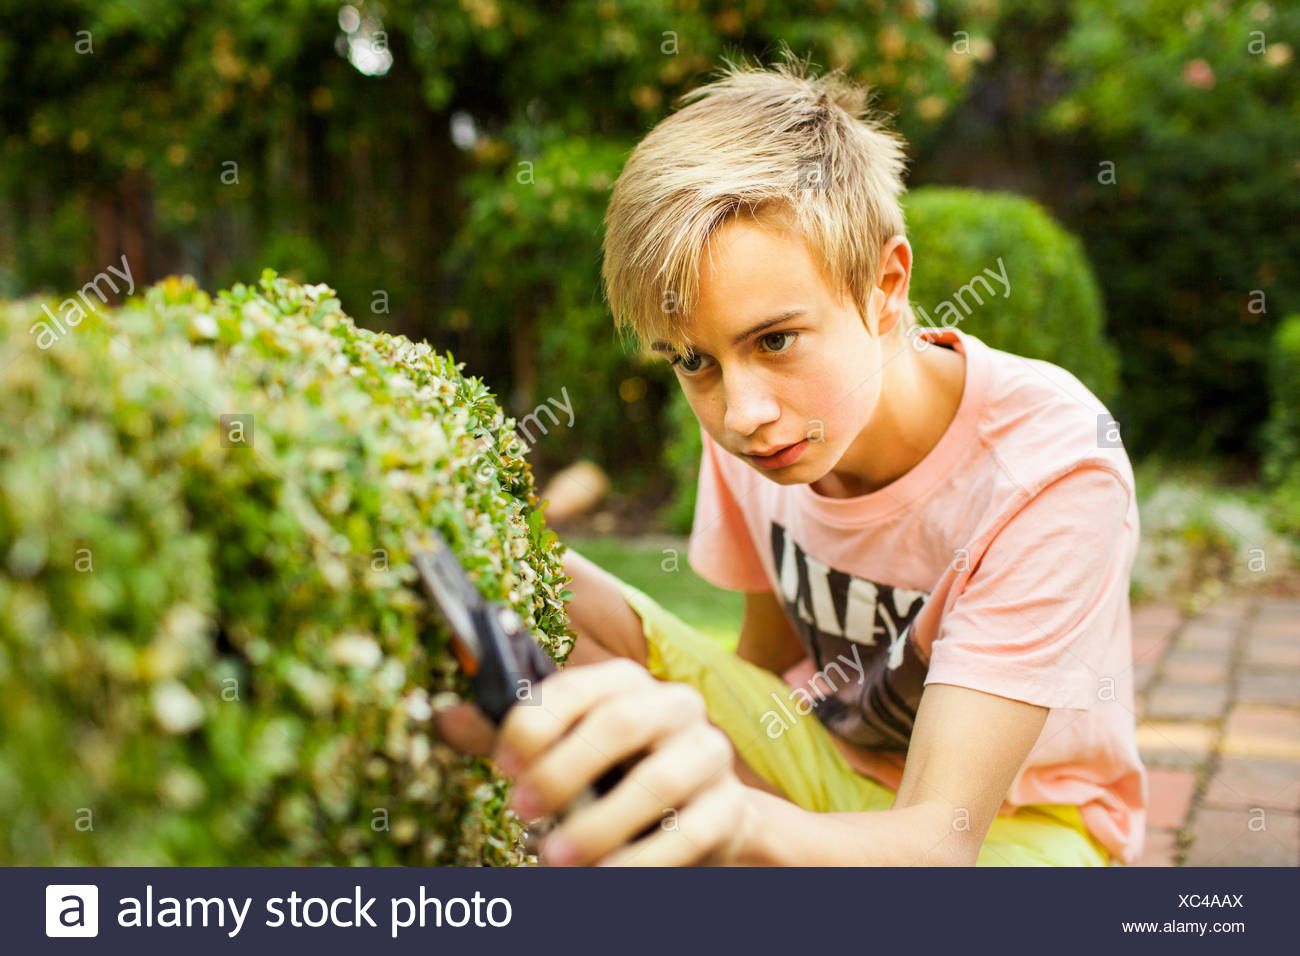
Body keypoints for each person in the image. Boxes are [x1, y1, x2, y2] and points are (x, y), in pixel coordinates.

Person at [435, 50, 1146, 867]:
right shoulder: (763, 428)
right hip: (822, 758)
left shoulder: (1049, 467)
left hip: (1014, 834)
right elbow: (761, 665)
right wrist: (698, 766)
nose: (741, 415)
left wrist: (739, 824)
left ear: (886, 285)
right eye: (692, 360)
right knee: (553, 598)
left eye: (775, 340)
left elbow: (935, 847)